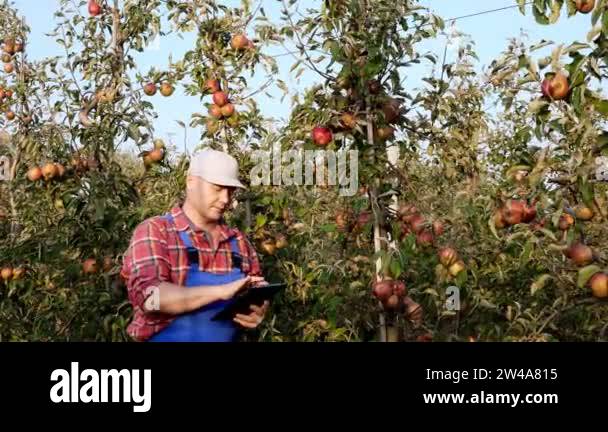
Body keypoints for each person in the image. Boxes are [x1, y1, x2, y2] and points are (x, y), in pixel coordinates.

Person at [121, 149, 269, 342]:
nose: (225, 199)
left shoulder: (239, 242)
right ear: (191, 181)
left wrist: (257, 310)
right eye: (217, 188)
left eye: (230, 191)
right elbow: (151, 299)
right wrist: (221, 291)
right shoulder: (156, 231)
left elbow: (255, 290)